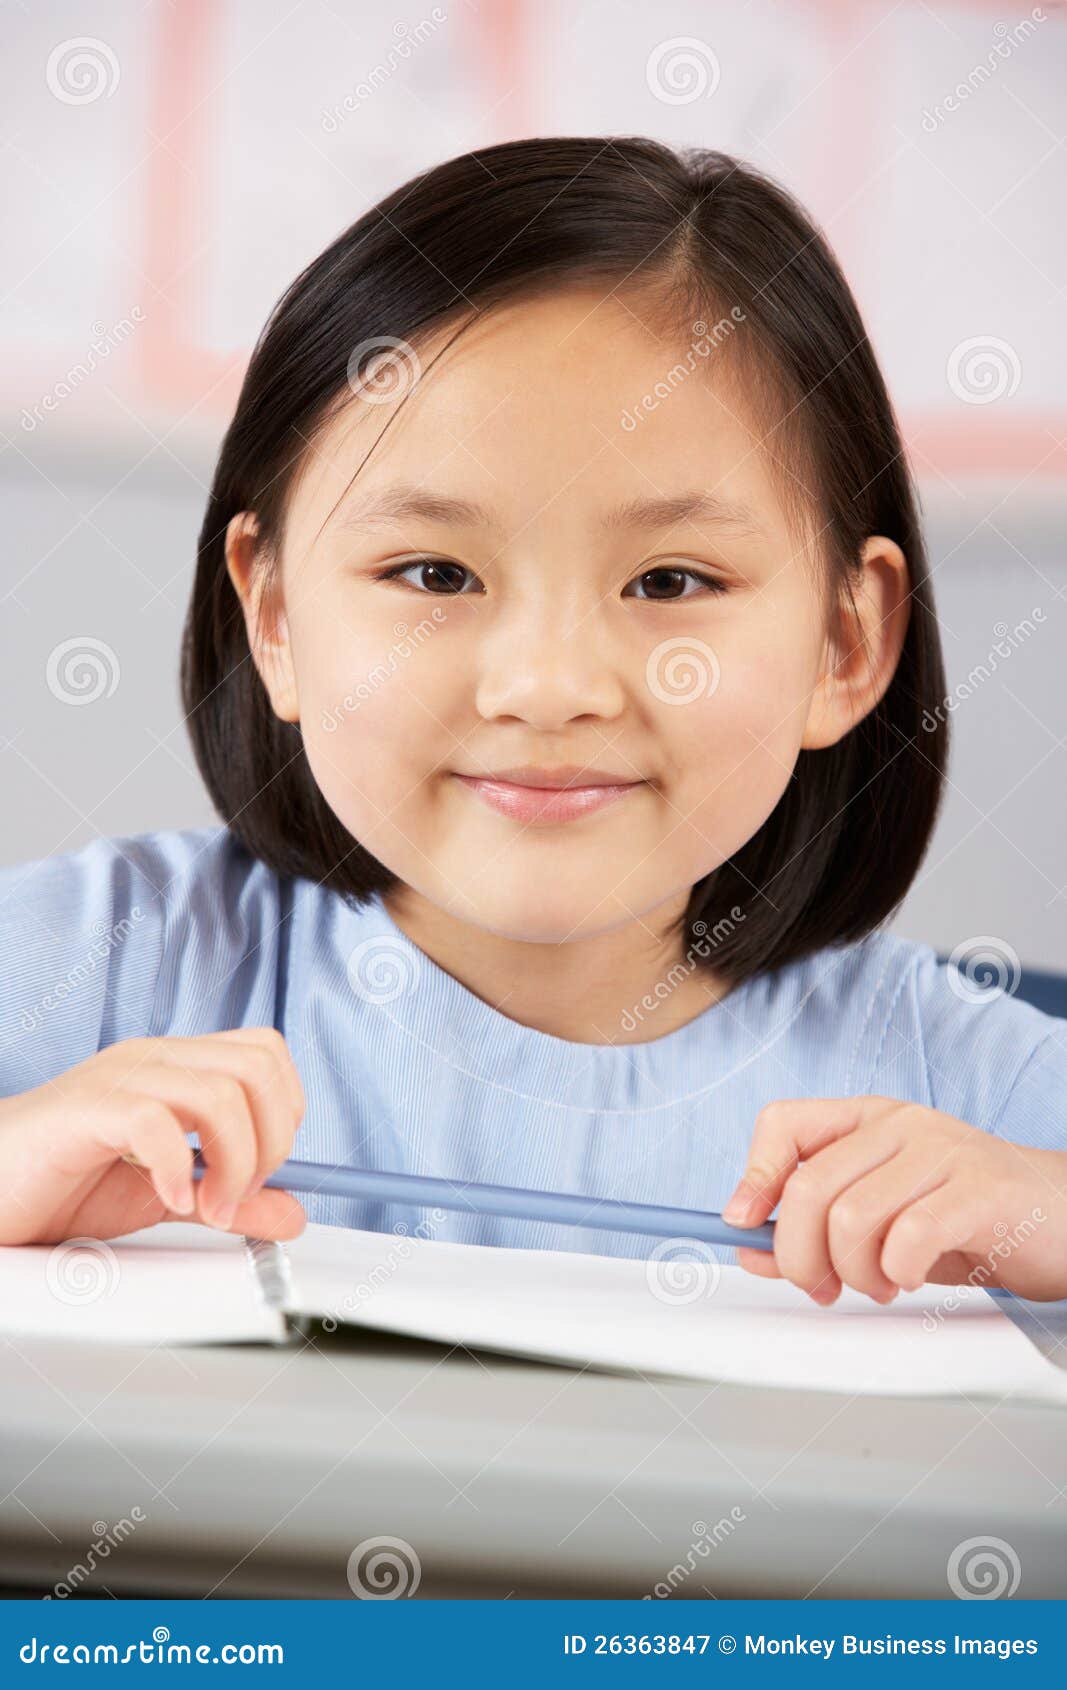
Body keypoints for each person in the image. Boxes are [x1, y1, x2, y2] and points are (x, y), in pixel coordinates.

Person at [2, 137, 1063, 1305]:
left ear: (843, 643)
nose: (549, 685)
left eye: (668, 583)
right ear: (276, 617)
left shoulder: (953, 1080)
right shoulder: (107, 967)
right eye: (434, 574)